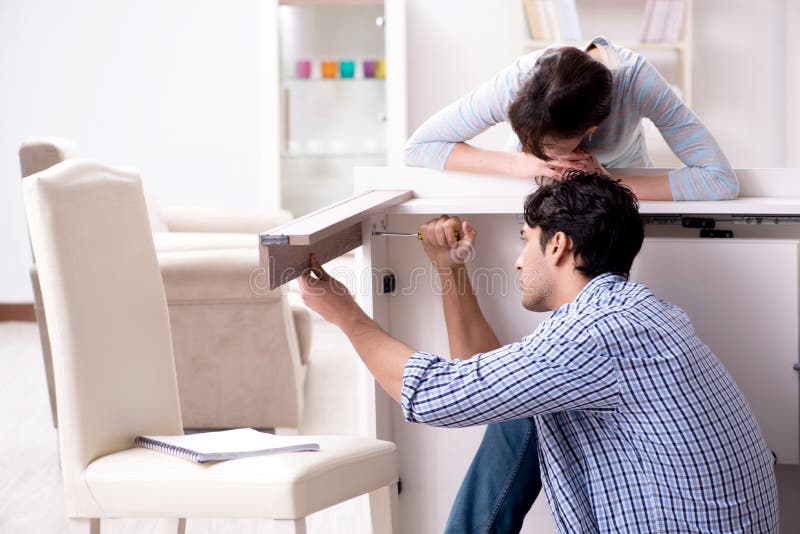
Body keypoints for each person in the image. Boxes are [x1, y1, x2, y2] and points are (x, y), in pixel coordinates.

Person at [297, 171, 778, 533]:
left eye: (526, 242)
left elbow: (432, 395)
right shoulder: (632, 315)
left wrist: (345, 313)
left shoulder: (597, 334)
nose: (516, 260)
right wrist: (449, 269)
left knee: (512, 411)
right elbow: (490, 386)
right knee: (520, 412)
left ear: (559, 246)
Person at [404, 36, 737, 202]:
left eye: (549, 146)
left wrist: (611, 184)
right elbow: (420, 147)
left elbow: (720, 180)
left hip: (620, 192)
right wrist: (516, 163)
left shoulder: (638, 82)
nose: (545, 153)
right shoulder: (515, 83)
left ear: (592, 129)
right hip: (531, 190)